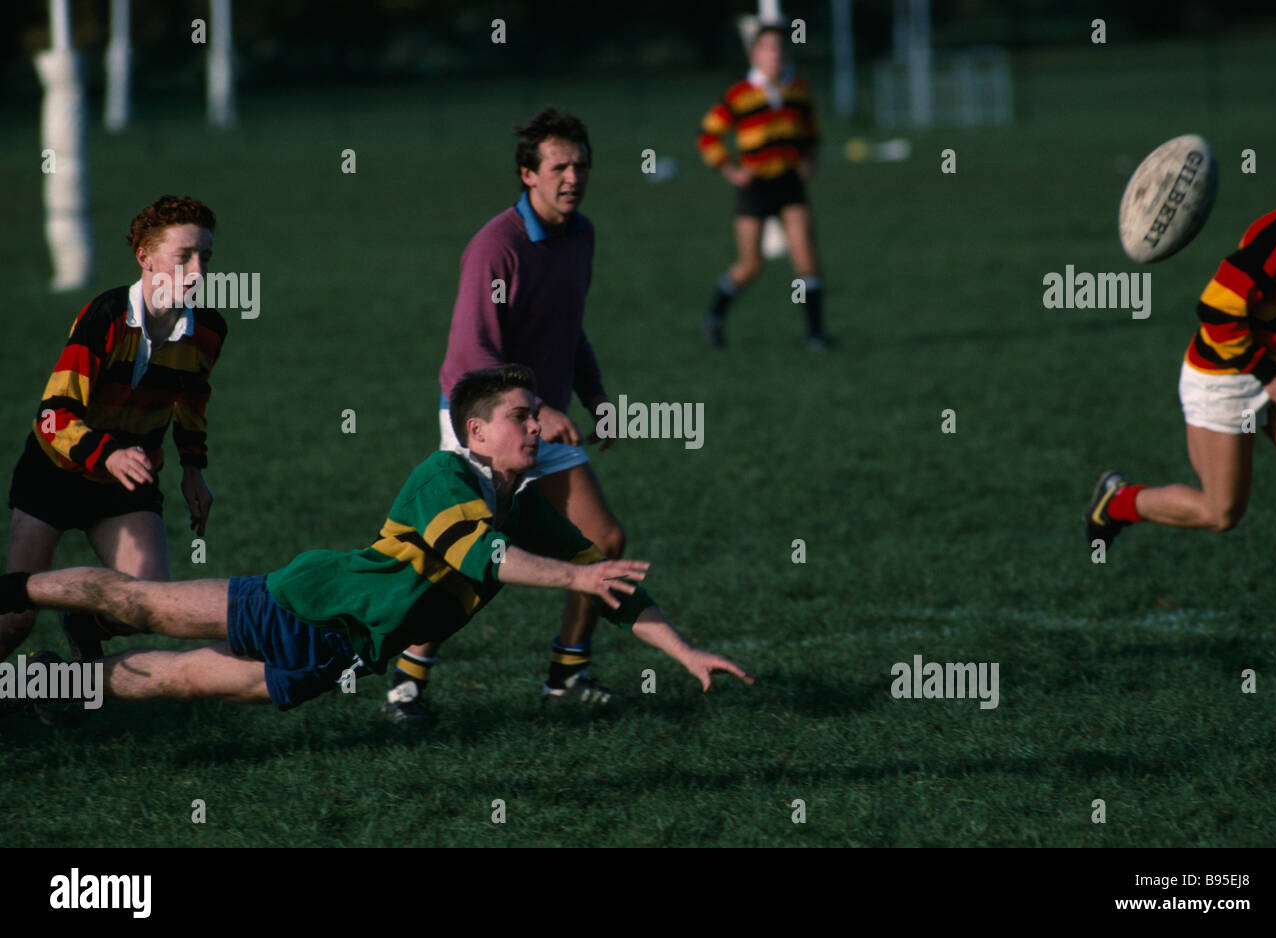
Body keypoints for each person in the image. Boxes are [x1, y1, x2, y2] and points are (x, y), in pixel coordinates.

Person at [0, 366, 754, 713]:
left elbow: (612, 582)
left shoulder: (523, 505)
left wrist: (683, 651)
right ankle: (18, 590)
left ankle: (37, 683)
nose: (536, 425)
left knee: (182, 679)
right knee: (147, 607)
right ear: (477, 433)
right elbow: (482, 557)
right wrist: (576, 581)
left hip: (343, 655)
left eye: (536, 414)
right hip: (305, 601)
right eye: (521, 415)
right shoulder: (443, 478)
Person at [385, 108, 628, 724]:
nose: (572, 177)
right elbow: (473, 357)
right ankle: (407, 680)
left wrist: (598, 399)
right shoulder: (497, 247)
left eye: (581, 165)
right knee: (471, 561)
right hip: (483, 420)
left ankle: (567, 675)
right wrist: (539, 408)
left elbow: (570, 331)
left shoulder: (581, 236)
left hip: (543, 418)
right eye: (558, 167)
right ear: (528, 174)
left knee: (603, 542)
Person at [0, 195, 225, 686]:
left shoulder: (208, 329)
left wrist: (193, 470)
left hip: (126, 480)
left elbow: (192, 399)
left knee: (147, 603)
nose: (197, 270)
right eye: (182, 255)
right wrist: (108, 453)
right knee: (13, 620)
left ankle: (84, 620)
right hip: (56, 474)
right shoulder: (105, 315)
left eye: (205, 256)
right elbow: (53, 417)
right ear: (145, 257)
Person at [1085, 204, 1276, 633]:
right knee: (1221, 513)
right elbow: (1217, 311)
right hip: (1224, 377)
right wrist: (1269, 375)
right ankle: (1118, 503)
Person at [697, 19, 829, 351]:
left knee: (806, 258)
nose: (776, 54)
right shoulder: (739, 95)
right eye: (769, 48)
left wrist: (809, 158)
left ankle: (815, 335)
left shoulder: (797, 89)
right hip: (755, 186)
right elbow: (708, 135)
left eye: (781, 48)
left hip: (788, 184)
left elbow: (811, 133)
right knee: (751, 264)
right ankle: (714, 316)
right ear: (755, 53)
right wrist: (729, 169)